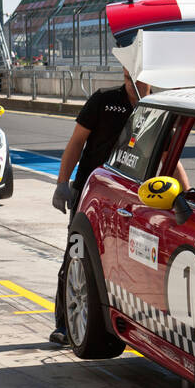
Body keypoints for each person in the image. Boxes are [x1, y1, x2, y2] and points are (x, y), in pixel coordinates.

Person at [49, 69, 149, 345]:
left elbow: (169, 160)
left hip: (131, 199)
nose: (134, 83)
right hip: (90, 194)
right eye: (129, 77)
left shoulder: (154, 110)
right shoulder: (104, 101)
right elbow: (76, 143)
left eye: (139, 77)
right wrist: (62, 183)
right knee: (77, 253)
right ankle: (65, 324)